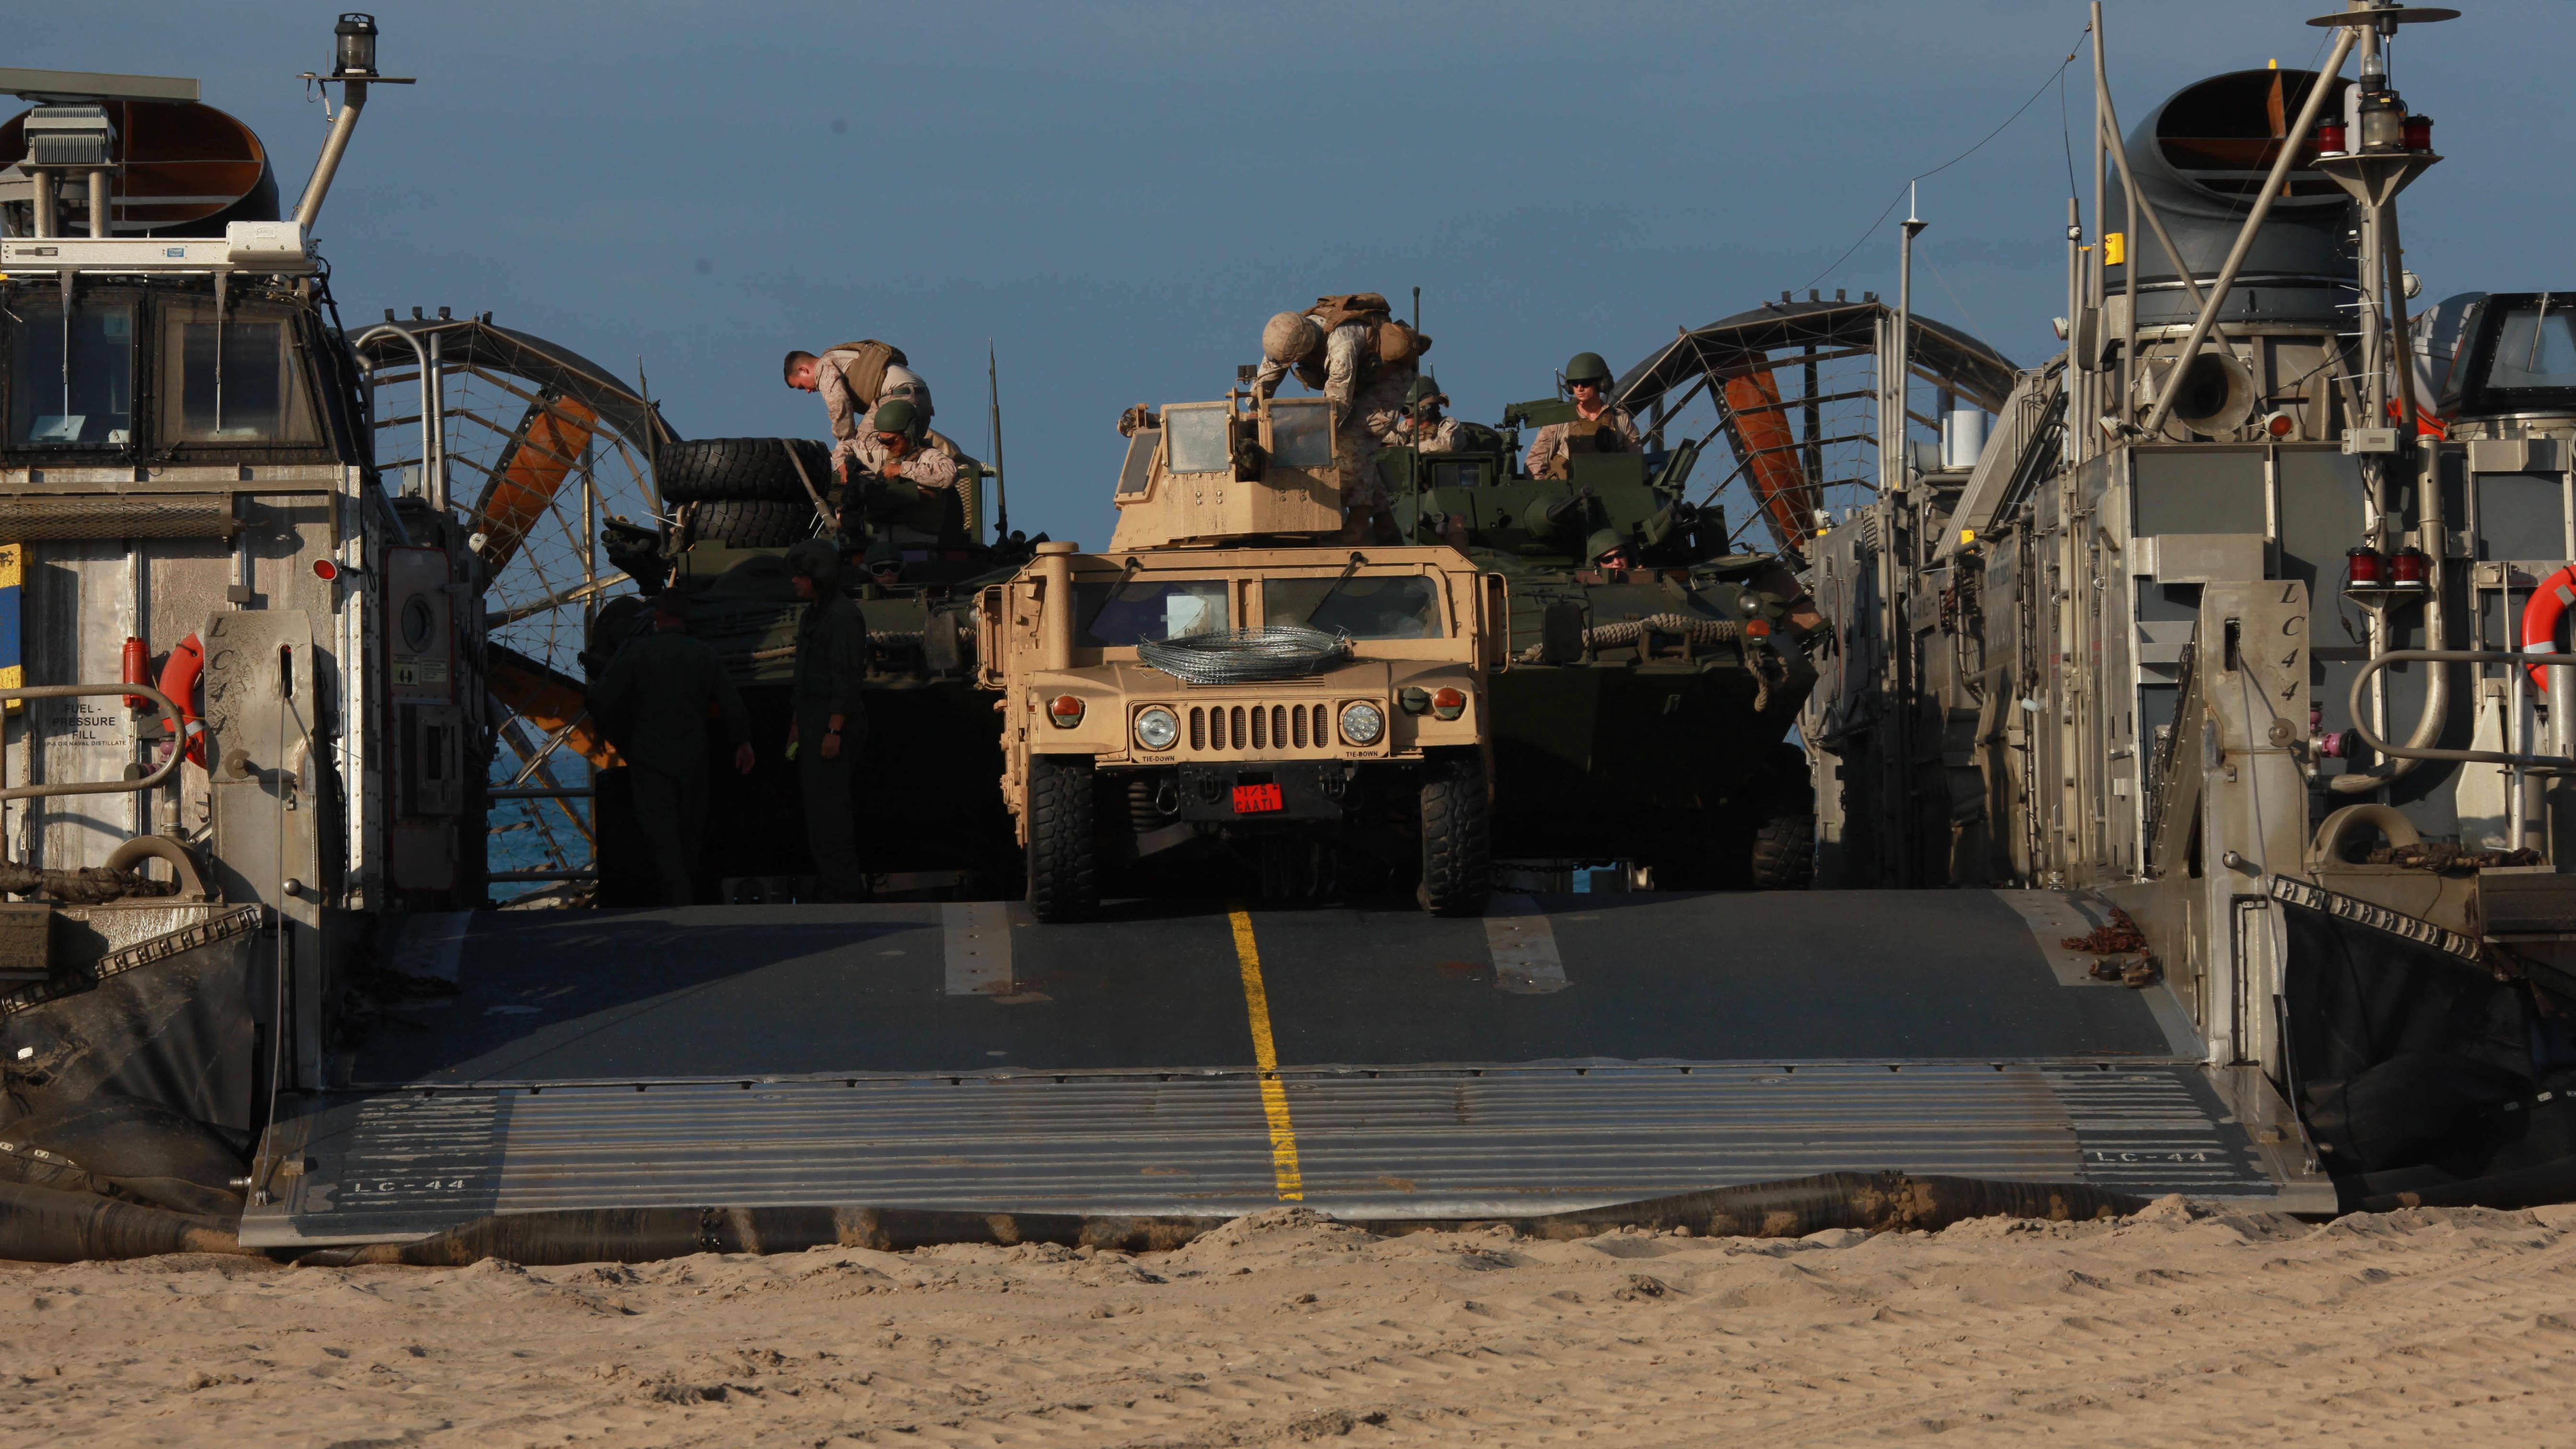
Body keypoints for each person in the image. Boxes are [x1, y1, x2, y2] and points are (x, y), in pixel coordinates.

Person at [589, 591, 754, 906]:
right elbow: (733, 704)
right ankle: (692, 893)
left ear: (657, 616)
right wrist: (742, 741)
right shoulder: (705, 654)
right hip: (694, 758)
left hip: (650, 759)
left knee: (662, 836)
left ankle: (679, 900)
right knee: (691, 833)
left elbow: (604, 700)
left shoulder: (638, 654)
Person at [1252, 294, 1430, 542]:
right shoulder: (1286, 333)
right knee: (1348, 445)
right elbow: (1267, 377)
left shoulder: (1342, 343)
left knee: (1349, 442)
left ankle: (1357, 523)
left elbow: (1335, 406)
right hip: (1357, 378)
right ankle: (1385, 525)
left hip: (1388, 379)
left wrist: (1300, 431)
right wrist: (1253, 412)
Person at [785, 538, 869, 902]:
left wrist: (834, 728)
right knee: (818, 810)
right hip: (812, 721)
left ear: (817, 577)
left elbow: (846, 675)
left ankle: (844, 888)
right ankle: (830, 880)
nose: (794, 582)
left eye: (800, 576)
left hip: (836, 725)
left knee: (833, 811)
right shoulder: (812, 615)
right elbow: (804, 673)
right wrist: (797, 723)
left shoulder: (843, 615)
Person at [783, 340, 934, 480]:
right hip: (922, 397)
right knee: (905, 451)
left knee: (860, 451)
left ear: (804, 370)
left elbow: (839, 402)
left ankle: (866, 495)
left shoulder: (824, 365)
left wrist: (845, 444)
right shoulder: (841, 357)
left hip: (896, 397)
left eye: (802, 387)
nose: (808, 391)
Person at [1525, 351, 1643, 480]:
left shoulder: (1621, 419)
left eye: (1585, 383)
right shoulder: (1559, 420)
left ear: (1601, 383)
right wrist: (1552, 494)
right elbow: (1534, 465)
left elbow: (1637, 464)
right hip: (1568, 497)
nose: (1580, 388)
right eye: (1575, 383)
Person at [1392, 377, 1472, 452]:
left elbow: (1447, 445)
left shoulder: (1448, 425)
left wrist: (1405, 450)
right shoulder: (1402, 428)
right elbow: (1384, 444)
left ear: (1424, 409)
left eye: (1405, 410)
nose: (1402, 415)